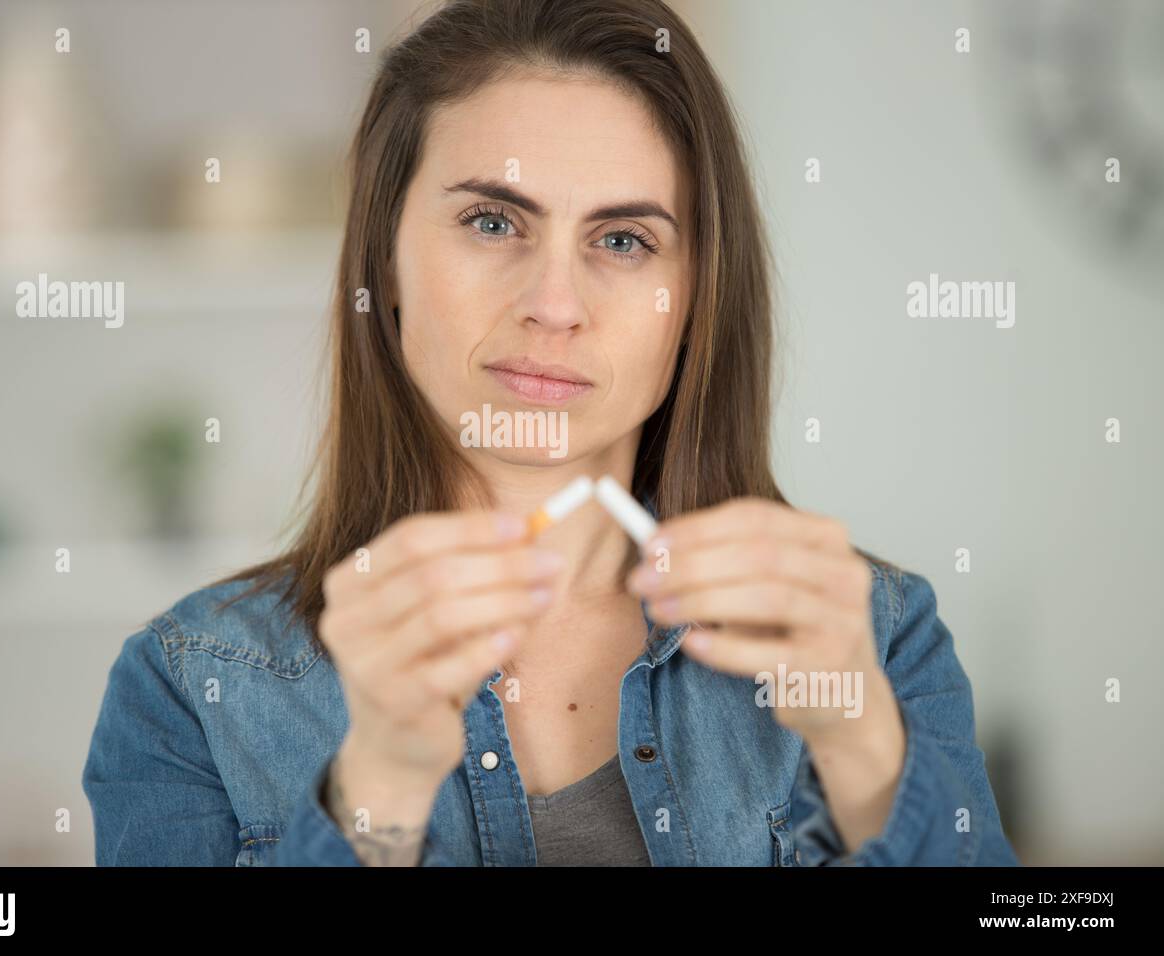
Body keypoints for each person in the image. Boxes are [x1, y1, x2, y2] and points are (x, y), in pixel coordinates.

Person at [82, 0, 1018, 867]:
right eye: (492, 221)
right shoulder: (190, 688)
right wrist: (377, 794)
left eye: (624, 241)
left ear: (694, 300)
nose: (554, 305)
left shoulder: (882, 638)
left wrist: (863, 748)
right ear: (385, 259)